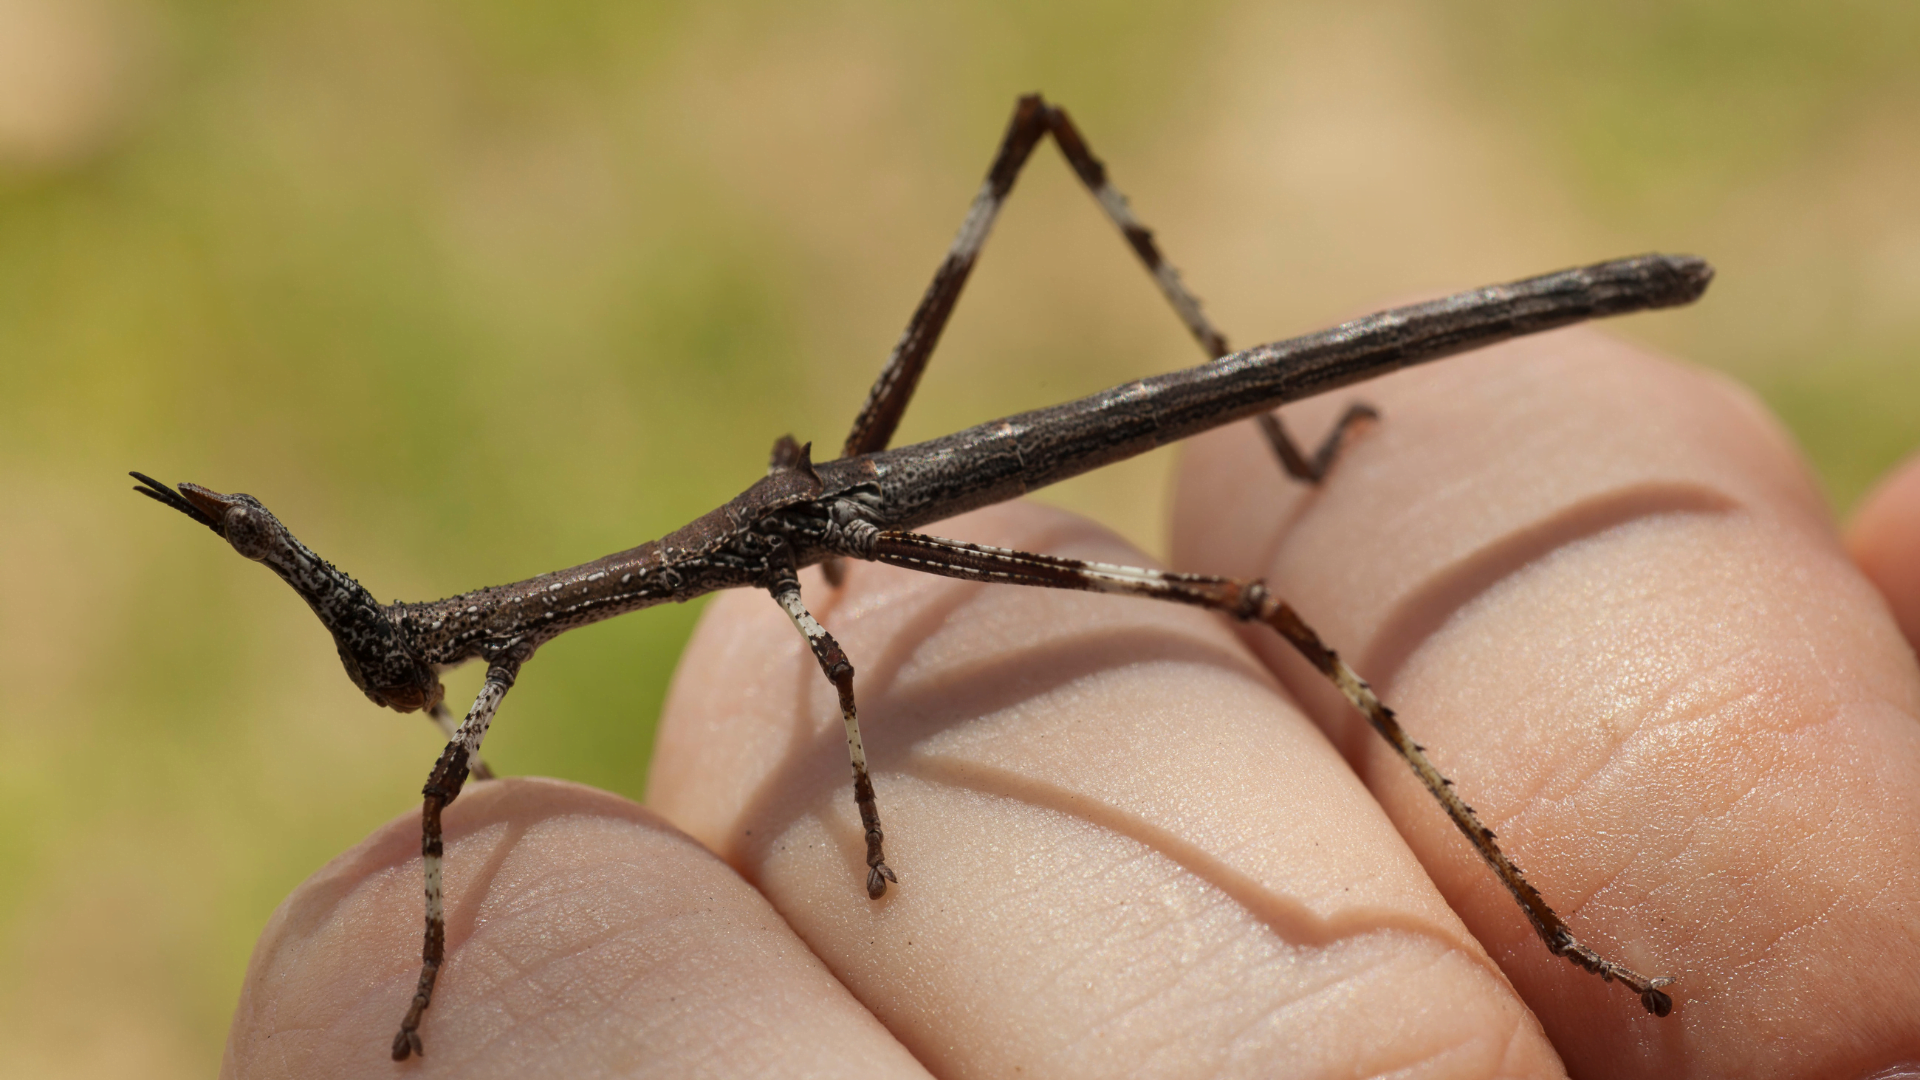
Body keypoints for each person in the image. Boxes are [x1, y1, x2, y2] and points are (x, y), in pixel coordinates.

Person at [223, 328, 1920, 1079]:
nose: (414, 698)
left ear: (450, 652)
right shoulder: (546, 662)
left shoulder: (506, 687)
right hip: (833, 532)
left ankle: (1557, 924)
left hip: (853, 518)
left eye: (406, 664)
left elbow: (462, 801)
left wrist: (870, 797)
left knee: (1252, 602)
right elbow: (816, 660)